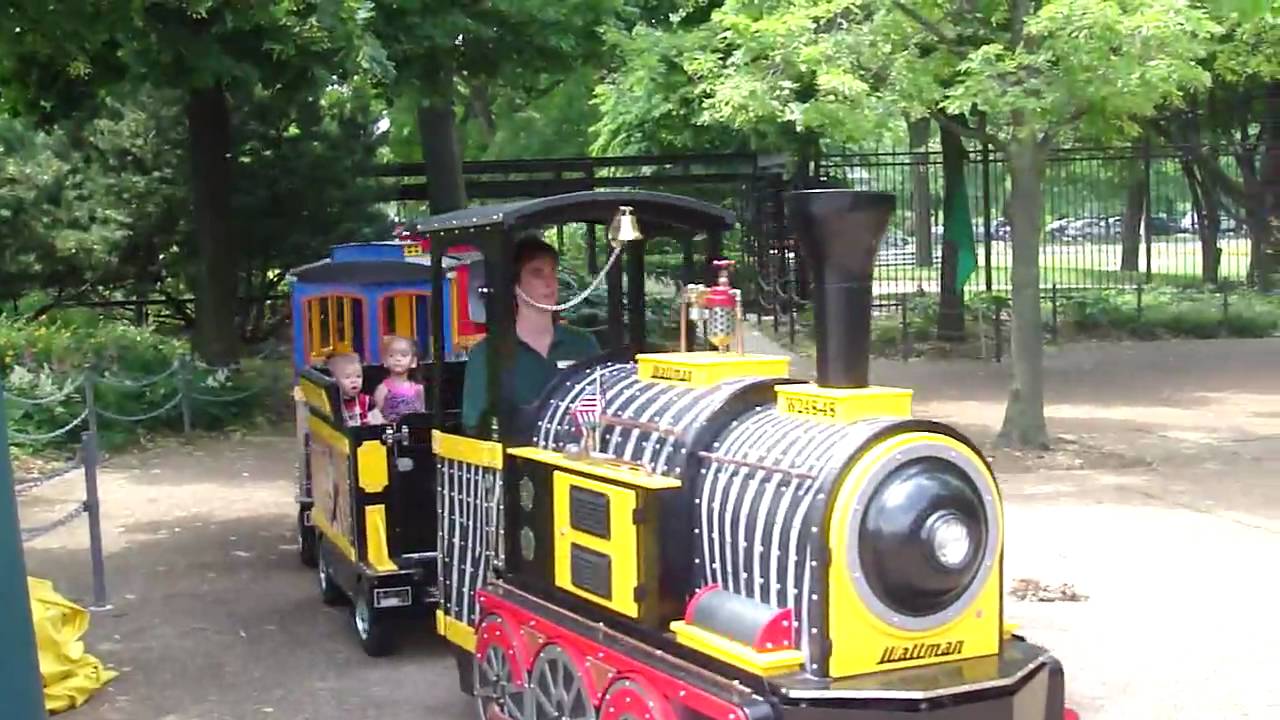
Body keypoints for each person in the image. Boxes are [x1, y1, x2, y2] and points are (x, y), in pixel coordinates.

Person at [462, 234, 600, 436]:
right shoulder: (486, 354)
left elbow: (604, 407)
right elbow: (474, 426)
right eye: (537, 273)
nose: (549, 282)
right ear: (514, 284)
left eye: (553, 272)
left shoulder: (583, 344)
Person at [373, 335, 426, 424]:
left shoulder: (418, 389)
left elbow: (422, 413)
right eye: (391, 355)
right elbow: (375, 414)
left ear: (413, 362)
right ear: (385, 361)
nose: (398, 359)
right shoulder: (383, 388)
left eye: (403, 355)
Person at [326, 353, 383, 426]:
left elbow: (378, 422)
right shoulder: (331, 404)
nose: (354, 381)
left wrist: (373, 421)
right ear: (335, 380)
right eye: (347, 377)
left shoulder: (368, 402)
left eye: (358, 376)